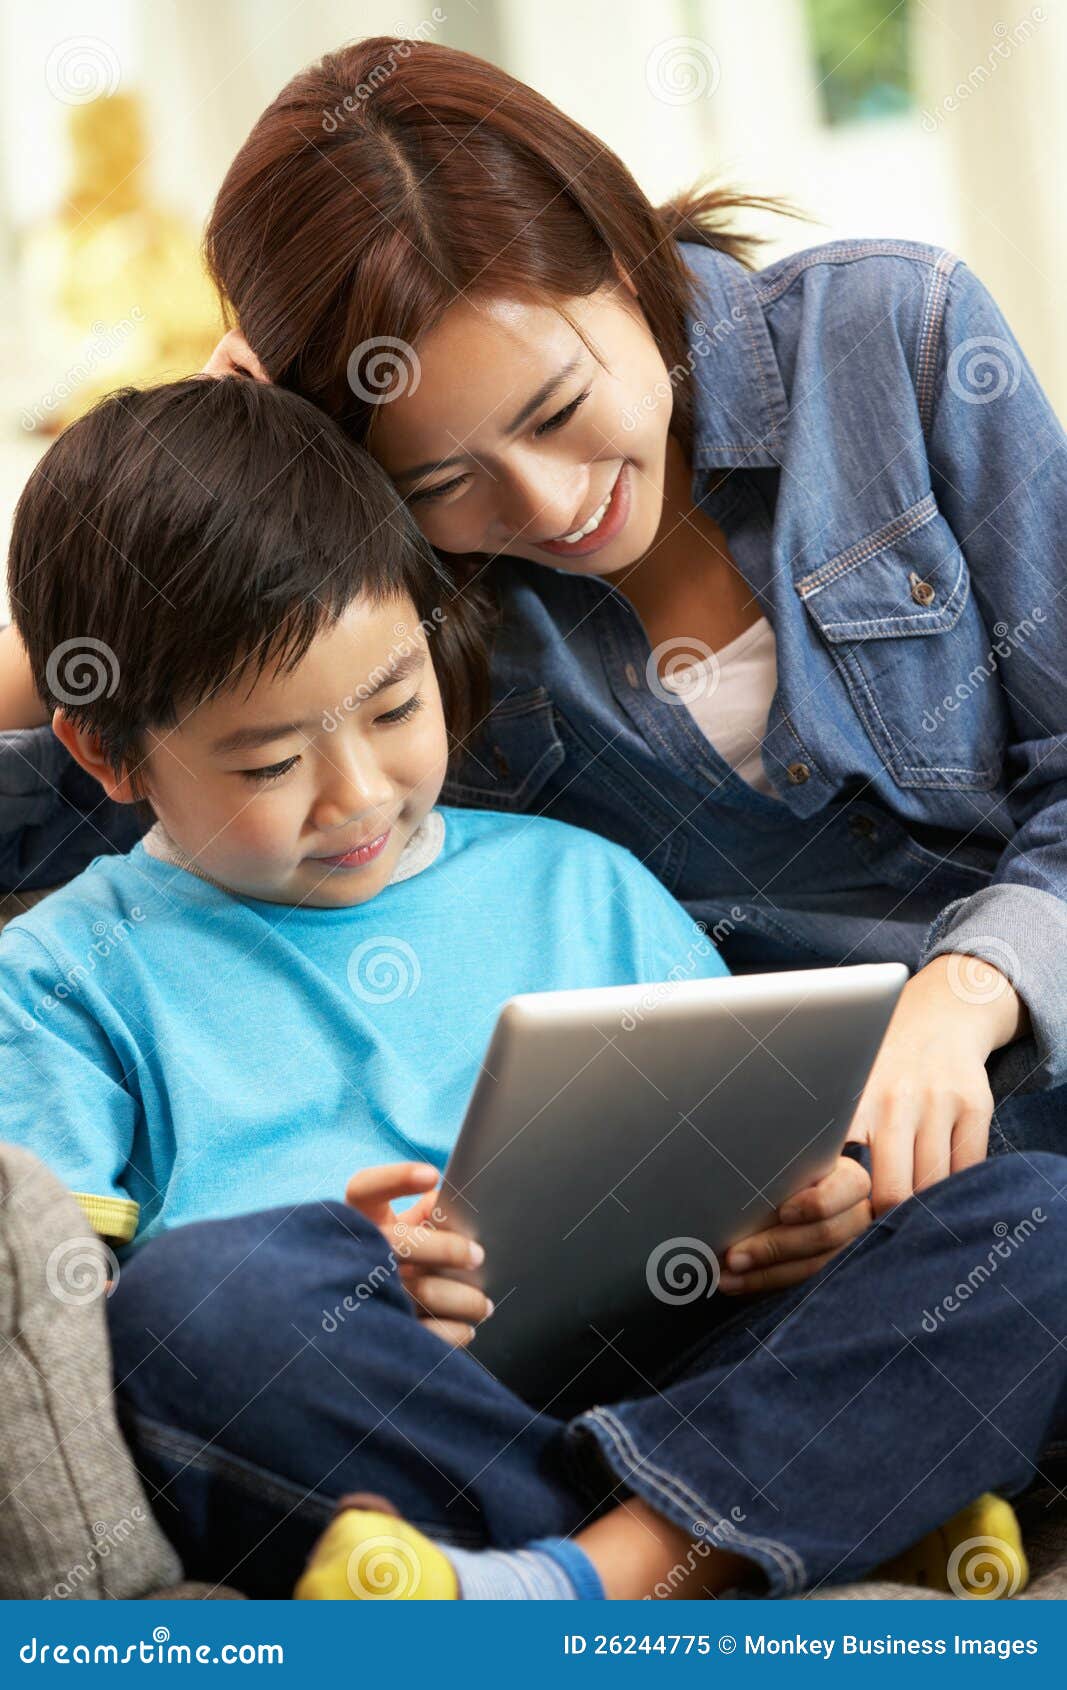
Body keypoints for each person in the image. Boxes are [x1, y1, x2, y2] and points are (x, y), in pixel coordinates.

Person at [1, 371, 1064, 1603]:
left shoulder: (582, 881)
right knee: (200, 1309)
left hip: (678, 1365)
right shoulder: (65, 975)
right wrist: (354, 1272)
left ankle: (569, 1583)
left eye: (394, 705)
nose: (354, 797)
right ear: (105, 749)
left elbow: (773, 1145)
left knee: (1030, 1219)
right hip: (373, 1416)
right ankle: (742, 1537)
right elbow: (61, 1340)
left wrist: (818, 1207)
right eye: (271, 760)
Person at [3, 36, 1062, 1210]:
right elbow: (142, 741)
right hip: (793, 1201)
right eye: (440, 481)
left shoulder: (890, 339)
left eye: (556, 407)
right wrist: (230, 479)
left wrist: (968, 987)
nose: (551, 505)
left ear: (617, 248)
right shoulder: (410, 609)